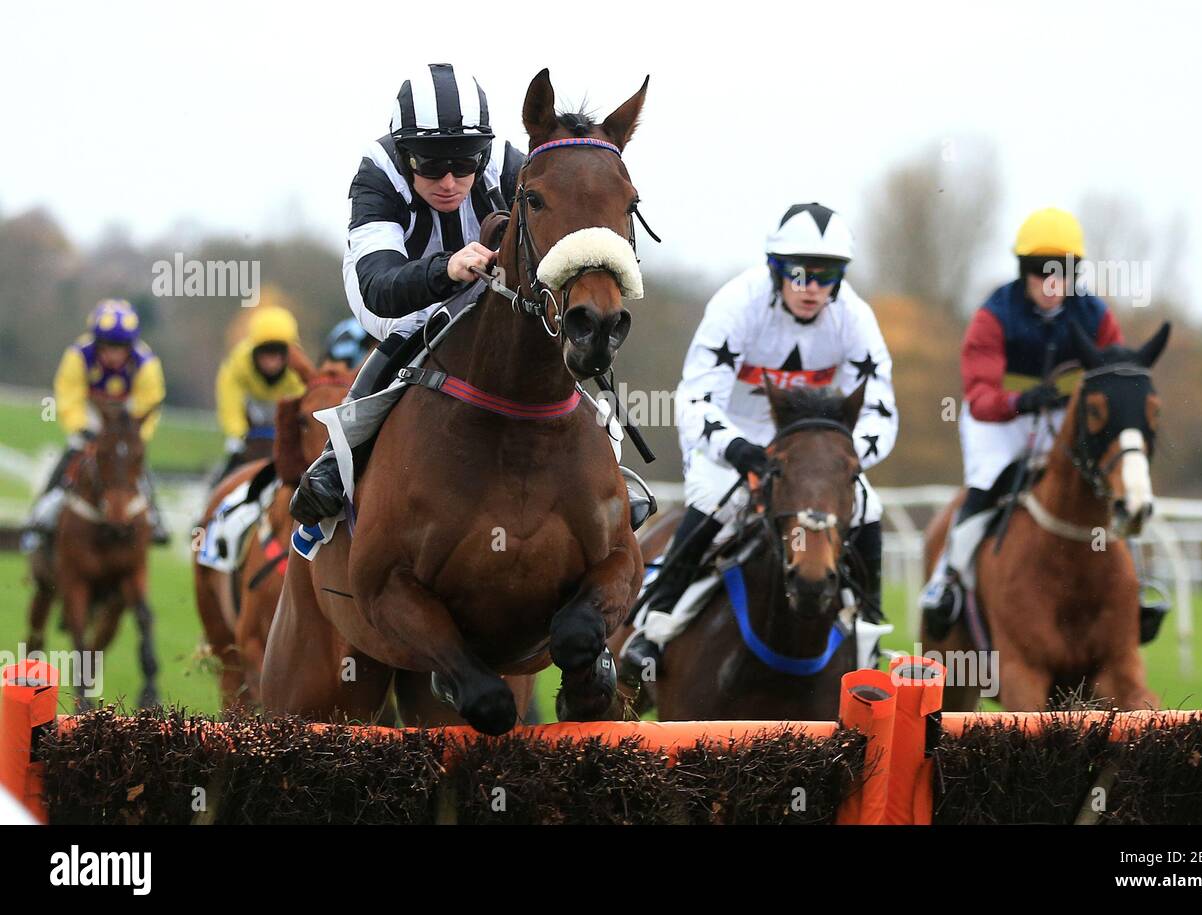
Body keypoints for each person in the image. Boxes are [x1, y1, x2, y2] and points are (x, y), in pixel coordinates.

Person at [290, 63, 652, 529]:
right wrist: (446, 268)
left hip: (483, 282)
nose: (448, 181)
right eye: (430, 163)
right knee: (417, 328)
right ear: (404, 155)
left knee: (539, 327)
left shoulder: (509, 163)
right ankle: (338, 456)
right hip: (398, 289)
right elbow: (378, 285)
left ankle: (601, 464)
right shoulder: (378, 172)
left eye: (464, 163)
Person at [621, 202, 900, 677]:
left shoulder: (855, 316)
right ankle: (654, 626)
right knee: (716, 502)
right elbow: (695, 399)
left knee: (867, 507)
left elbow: (880, 410)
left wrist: (844, 461)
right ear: (776, 268)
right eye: (799, 273)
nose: (811, 288)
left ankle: (870, 629)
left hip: (812, 454)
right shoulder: (737, 303)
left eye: (826, 275)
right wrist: (738, 451)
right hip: (733, 442)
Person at [918, 207, 1152, 640]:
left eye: (1060, 272)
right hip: (999, 423)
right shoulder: (993, 316)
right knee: (987, 486)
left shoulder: (1096, 316)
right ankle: (945, 582)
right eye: (1039, 271)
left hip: (1063, 418)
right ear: (1023, 272)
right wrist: (1022, 400)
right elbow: (981, 398)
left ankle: (1136, 587)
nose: (1050, 283)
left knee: (1104, 487)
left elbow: (1115, 380)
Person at [22, 299, 168, 550]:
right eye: (108, 347)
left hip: (126, 421)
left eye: (120, 348)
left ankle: (155, 517)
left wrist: (134, 436)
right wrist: (82, 428)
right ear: (97, 343)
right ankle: (41, 515)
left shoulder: (147, 364)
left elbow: (149, 405)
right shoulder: (78, 355)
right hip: (91, 416)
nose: (113, 355)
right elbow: (68, 396)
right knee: (70, 457)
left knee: (135, 465)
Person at [213, 292, 310, 483]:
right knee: (222, 479)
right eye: (266, 355)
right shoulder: (237, 365)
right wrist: (236, 433)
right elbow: (229, 400)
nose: (271, 363)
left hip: (280, 432)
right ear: (255, 353)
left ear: (287, 356)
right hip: (250, 430)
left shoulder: (298, 370)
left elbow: (304, 404)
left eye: (276, 356)